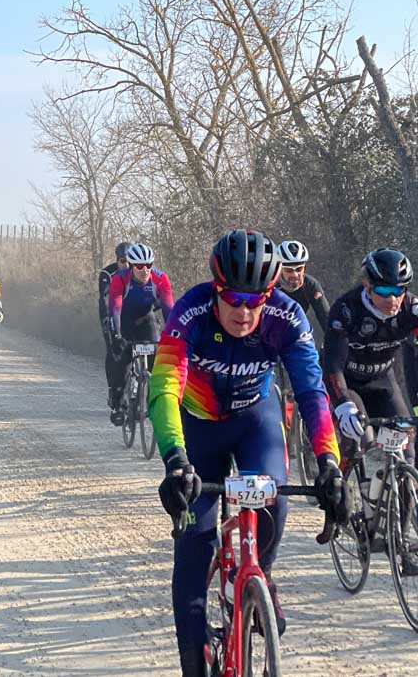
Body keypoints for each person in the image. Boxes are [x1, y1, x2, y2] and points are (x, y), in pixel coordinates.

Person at [150, 230, 347, 677]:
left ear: (270, 293)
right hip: (198, 424)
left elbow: (312, 392)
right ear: (217, 289)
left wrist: (329, 462)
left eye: (256, 299)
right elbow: (163, 385)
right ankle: (193, 662)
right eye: (234, 298)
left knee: (274, 500)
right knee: (193, 546)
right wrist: (174, 458)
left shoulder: (287, 316)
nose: (244, 310)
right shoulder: (191, 311)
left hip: (254, 419)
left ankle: (261, 577)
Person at [324, 249, 418, 464]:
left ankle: (402, 493)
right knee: (360, 439)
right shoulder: (346, 309)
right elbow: (332, 364)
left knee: (408, 448)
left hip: (383, 382)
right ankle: (339, 487)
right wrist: (343, 403)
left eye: (398, 289)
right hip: (349, 383)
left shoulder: (412, 309)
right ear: (367, 285)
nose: (392, 299)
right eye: (384, 290)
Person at [106, 243, 174, 425]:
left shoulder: (160, 279)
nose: (144, 270)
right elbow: (115, 309)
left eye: (149, 265)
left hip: (146, 319)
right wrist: (117, 335)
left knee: (157, 359)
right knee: (123, 359)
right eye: (139, 266)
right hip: (125, 320)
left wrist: (174, 336)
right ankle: (119, 405)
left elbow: (169, 310)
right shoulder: (120, 279)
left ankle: (153, 400)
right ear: (130, 265)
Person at [99, 242, 132, 415]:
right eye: (122, 261)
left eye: (129, 261)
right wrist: (107, 319)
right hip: (111, 314)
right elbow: (104, 298)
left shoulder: (138, 272)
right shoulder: (107, 273)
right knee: (115, 351)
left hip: (132, 315)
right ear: (116, 260)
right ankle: (115, 389)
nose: (126, 265)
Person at [277, 240, 330, 333]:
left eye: (299, 269)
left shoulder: (310, 285)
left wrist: (332, 340)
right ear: (279, 269)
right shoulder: (270, 284)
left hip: (296, 333)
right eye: (289, 270)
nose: (295, 274)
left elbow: (325, 316)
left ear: (304, 268)